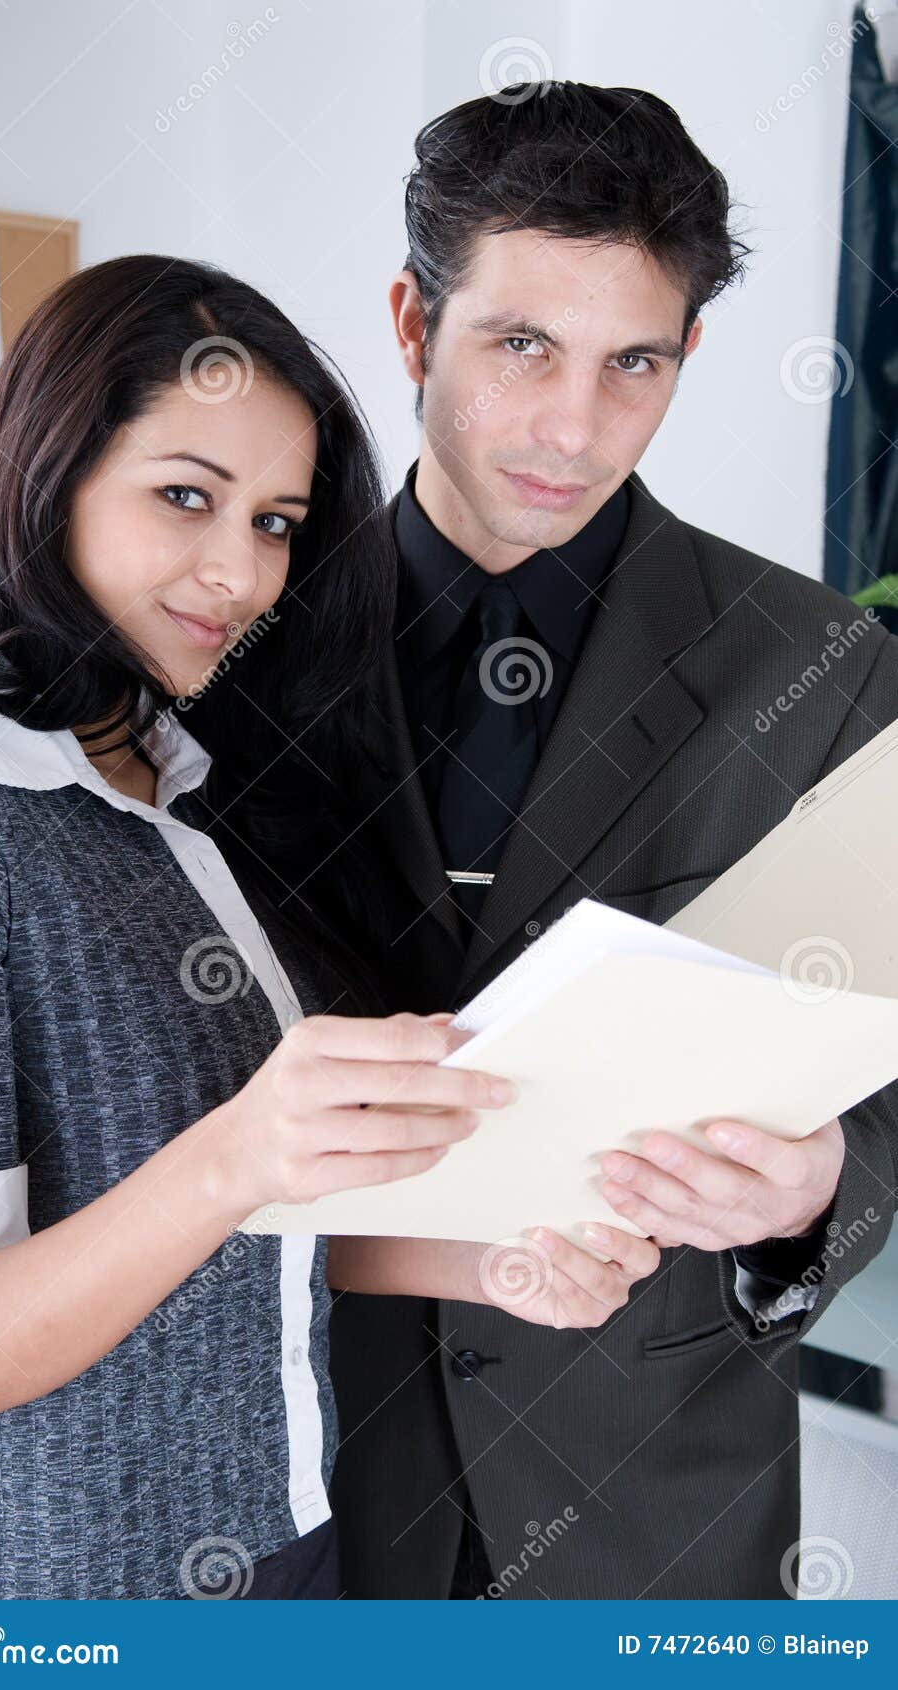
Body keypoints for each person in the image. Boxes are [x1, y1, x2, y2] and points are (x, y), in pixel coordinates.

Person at [0, 253, 536, 1601]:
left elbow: (248, 1224)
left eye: (275, 521)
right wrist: (236, 1148)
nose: (240, 572)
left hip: (289, 1533)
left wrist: (496, 1257)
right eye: (185, 498)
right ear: (47, 476)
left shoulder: (189, 772)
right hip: (69, 1583)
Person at [323, 81, 898, 1600]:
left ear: (688, 356)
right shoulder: (230, 648)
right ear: (410, 323)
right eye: (521, 346)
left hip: (658, 1505)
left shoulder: (825, 667)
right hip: (294, 1488)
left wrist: (819, 1187)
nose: (573, 429)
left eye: (634, 361)